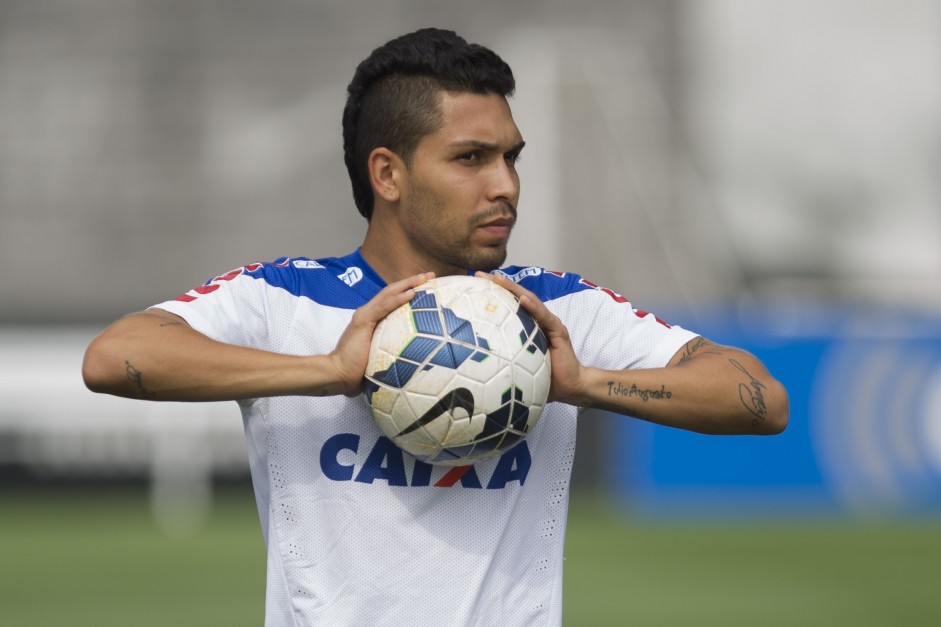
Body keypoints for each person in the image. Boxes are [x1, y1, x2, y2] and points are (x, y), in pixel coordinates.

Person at [82, 27, 788, 626]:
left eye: (510, 156)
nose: (504, 184)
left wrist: (585, 382)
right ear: (387, 174)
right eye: (470, 158)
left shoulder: (551, 308)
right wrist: (327, 371)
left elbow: (758, 397)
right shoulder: (285, 298)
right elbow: (115, 358)